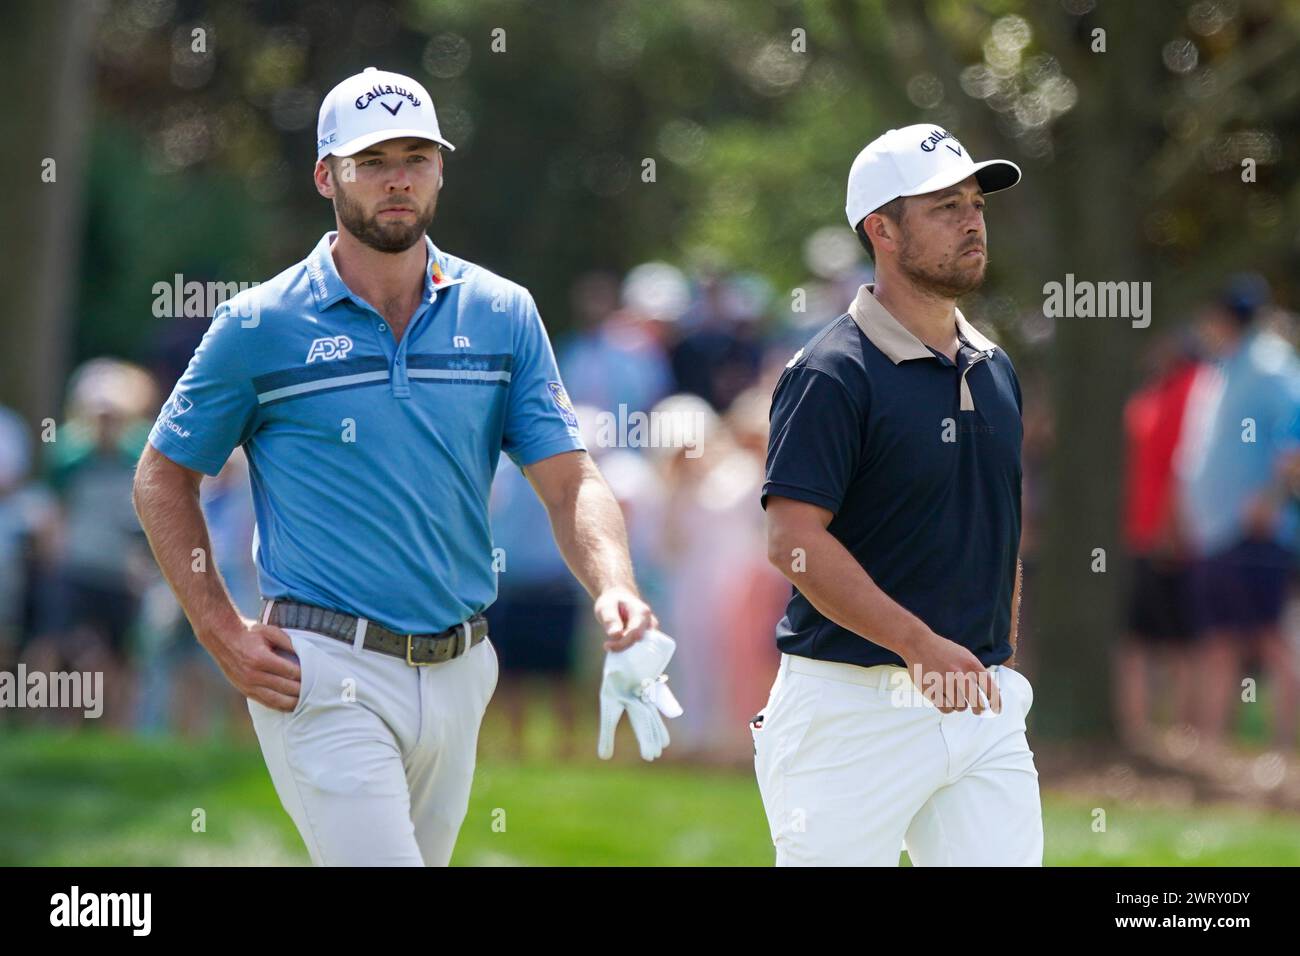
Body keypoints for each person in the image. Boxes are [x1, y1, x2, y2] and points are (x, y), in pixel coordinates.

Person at [132, 67, 664, 866]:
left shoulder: (503, 311)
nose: (397, 179)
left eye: (416, 157)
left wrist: (615, 585)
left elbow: (570, 480)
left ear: (441, 169)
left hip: (460, 668)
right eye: (372, 161)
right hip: (321, 667)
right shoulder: (258, 323)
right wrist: (218, 628)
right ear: (326, 176)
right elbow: (163, 475)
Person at [754, 124, 1041, 866]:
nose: (973, 220)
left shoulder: (994, 366)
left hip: (980, 707)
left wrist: (996, 658)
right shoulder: (830, 373)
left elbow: (998, 522)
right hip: (849, 715)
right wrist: (919, 644)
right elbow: (792, 541)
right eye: (945, 207)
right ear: (881, 230)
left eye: (975, 203)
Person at [1175, 274, 1300, 751]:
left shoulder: (1272, 366)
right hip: (1215, 533)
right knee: (1219, 641)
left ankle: (1284, 753)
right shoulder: (1221, 367)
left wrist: (1269, 501)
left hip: (1255, 531)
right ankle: (1212, 750)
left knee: (1269, 641)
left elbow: (1294, 442)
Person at [1114, 331, 1203, 750]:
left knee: (1180, 645)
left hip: (1168, 538)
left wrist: (1171, 528)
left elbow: (1181, 464)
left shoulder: (1192, 386)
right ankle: (1142, 733)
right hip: (1141, 533)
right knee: (1140, 641)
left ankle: (1179, 738)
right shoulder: (1156, 389)